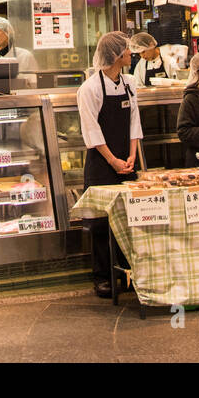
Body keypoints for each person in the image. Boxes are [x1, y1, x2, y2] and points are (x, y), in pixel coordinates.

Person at [75, 31, 142, 298]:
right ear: (116, 55)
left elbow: (135, 121)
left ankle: (126, 272)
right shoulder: (89, 88)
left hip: (126, 161)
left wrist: (132, 156)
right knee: (102, 223)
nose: (130, 53)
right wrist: (113, 160)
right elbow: (91, 131)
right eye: (126, 50)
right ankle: (103, 277)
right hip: (102, 164)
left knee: (128, 218)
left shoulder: (129, 82)